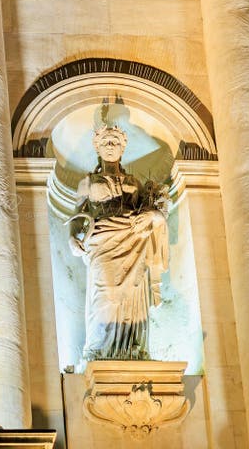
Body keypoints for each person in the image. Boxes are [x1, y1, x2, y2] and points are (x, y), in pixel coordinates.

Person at [67, 125, 169, 361]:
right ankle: (100, 349)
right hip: (102, 241)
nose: (110, 146)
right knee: (106, 293)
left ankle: (132, 347)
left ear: (123, 148)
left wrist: (153, 215)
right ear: (97, 147)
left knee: (133, 292)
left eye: (115, 142)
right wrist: (73, 238)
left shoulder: (134, 181)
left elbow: (156, 210)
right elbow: (77, 215)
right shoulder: (87, 182)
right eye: (106, 142)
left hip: (133, 240)